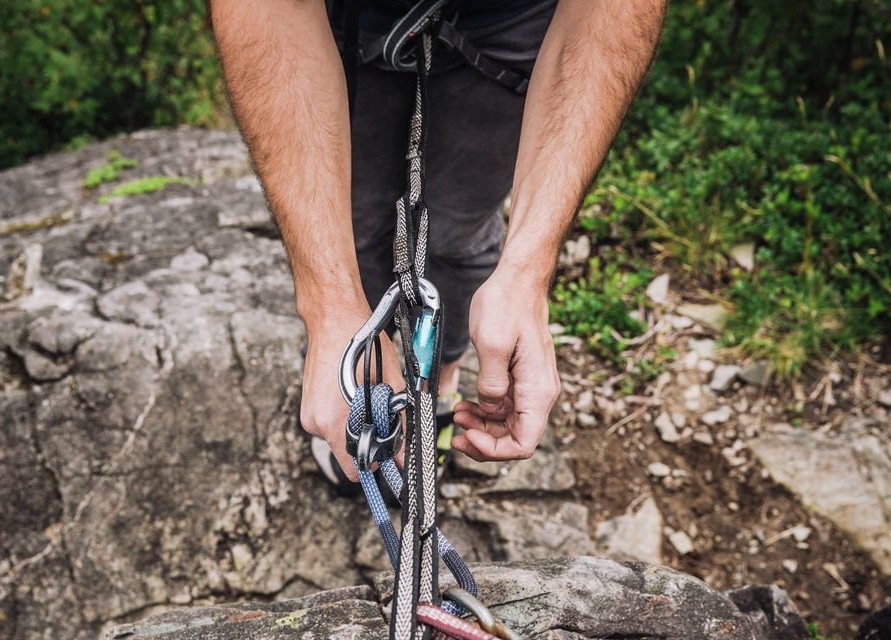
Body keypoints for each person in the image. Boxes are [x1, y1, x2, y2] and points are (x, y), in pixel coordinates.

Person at [211, 0, 666, 487]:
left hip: (512, 17)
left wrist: (526, 274)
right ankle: (365, 363)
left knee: (456, 231)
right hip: (339, 15)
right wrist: (328, 305)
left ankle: (434, 381)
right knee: (354, 222)